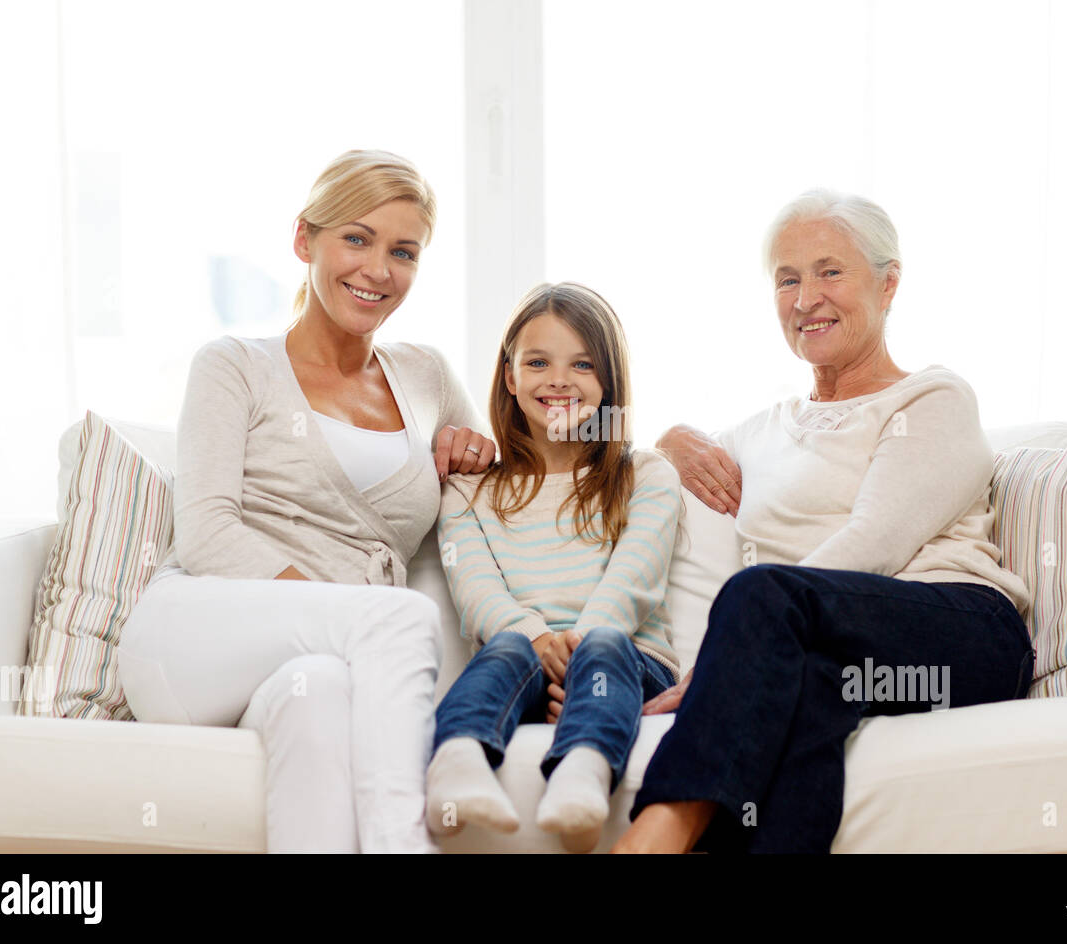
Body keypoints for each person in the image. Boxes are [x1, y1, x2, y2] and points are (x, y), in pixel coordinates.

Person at [612, 188, 1035, 854]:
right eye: (788, 279)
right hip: (832, 652)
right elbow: (641, 463)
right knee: (801, 693)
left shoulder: (929, 398)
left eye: (829, 271)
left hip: (962, 633)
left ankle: (655, 836)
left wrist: (731, 652)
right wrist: (672, 438)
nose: (806, 298)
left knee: (761, 592)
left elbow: (874, 543)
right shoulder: (763, 430)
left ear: (888, 282)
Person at [116, 149, 496, 854]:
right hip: (193, 638)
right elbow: (206, 535)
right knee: (399, 617)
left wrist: (482, 457)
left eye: (403, 251)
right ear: (304, 241)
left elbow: (506, 501)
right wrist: (349, 613)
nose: (379, 269)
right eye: (357, 238)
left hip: (320, 664)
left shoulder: (427, 376)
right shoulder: (234, 365)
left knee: (317, 700)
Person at [424, 282, 681, 853]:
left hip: (629, 663)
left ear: (608, 382)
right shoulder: (468, 492)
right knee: (506, 649)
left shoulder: (647, 475)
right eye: (538, 362)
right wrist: (538, 640)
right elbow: (477, 592)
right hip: (524, 665)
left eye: (582, 364)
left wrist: (580, 652)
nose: (559, 379)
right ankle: (458, 761)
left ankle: (582, 775)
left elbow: (632, 582)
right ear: (510, 378)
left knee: (608, 643)